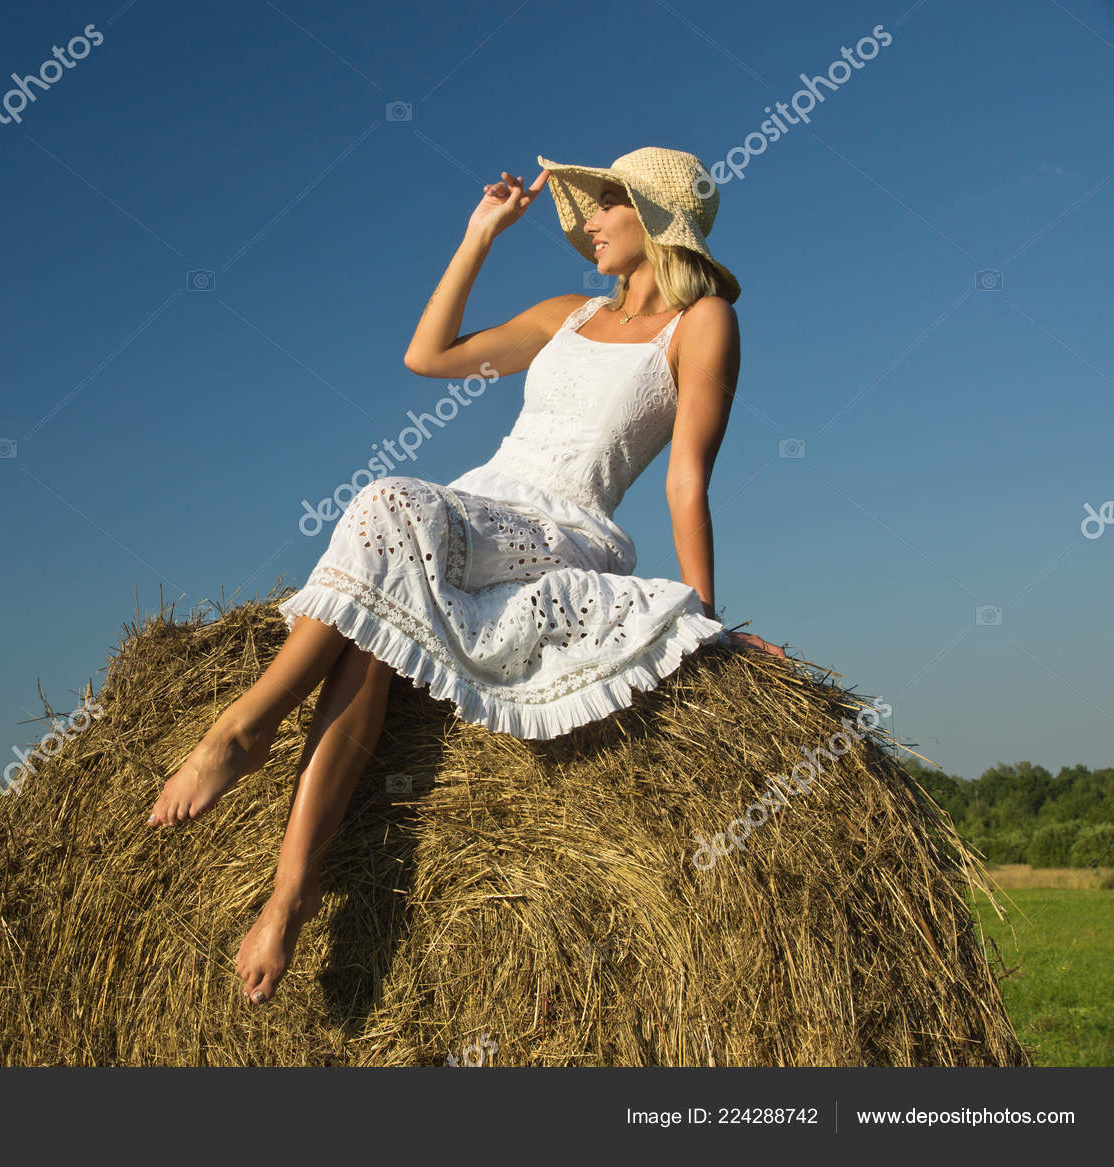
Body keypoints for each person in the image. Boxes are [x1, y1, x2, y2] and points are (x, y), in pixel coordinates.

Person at [146, 146, 786, 1006]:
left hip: (563, 530)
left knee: (384, 499)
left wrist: (700, 622)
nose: (588, 221)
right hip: (476, 506)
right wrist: (479, 234)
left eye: (603, 204)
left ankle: (241, 729)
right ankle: (291, 894)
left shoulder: (702, 322)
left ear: (653, 218)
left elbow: (685, 479)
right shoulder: (566, 313)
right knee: (369, 638)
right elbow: (428, 356)